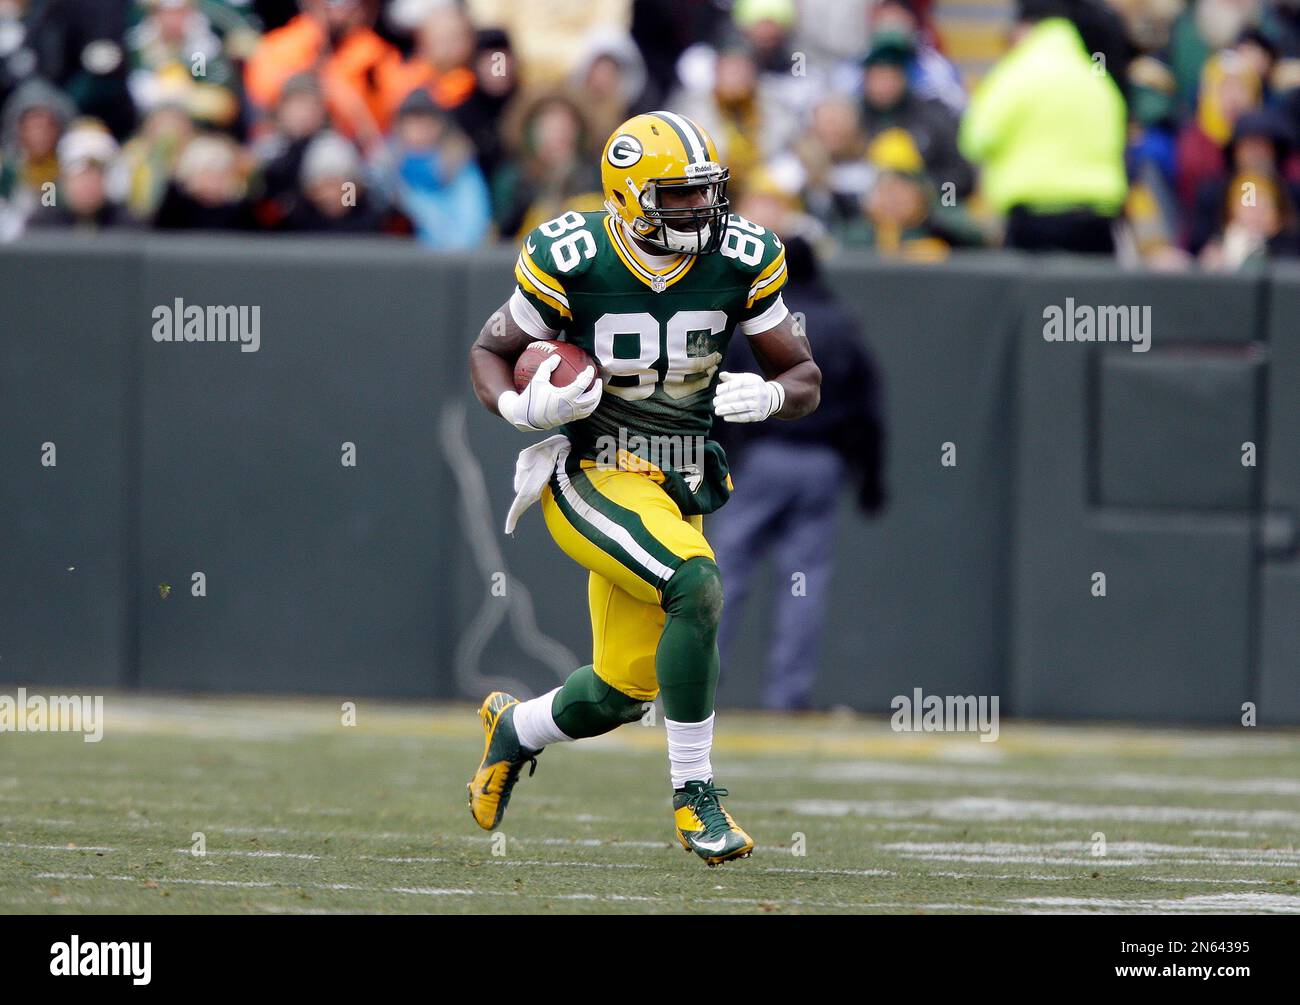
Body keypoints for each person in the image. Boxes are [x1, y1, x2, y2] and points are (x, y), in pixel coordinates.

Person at [465, 111, 820, 866]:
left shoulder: (745, 254)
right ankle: (696, 794)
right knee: (697, 583)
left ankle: (515, 728)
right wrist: (518, 406)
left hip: (680, 483)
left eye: (704, 193)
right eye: (678, 196)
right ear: (627, 199)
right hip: (594, 472)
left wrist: (771, 396)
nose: (700, 211)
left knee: (625, 691)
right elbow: (491, 352)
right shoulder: (573, 254)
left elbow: (805, 375)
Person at [710, 236, 886, 712]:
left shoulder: (761, 322)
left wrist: (718, 459)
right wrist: (871, 478)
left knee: (722, 574)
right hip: (824, 463)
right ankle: (788, 696)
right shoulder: (842, 323)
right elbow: (868, 409)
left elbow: (721, 396)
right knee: (803, 583)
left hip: (765, 457)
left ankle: (698, 686)